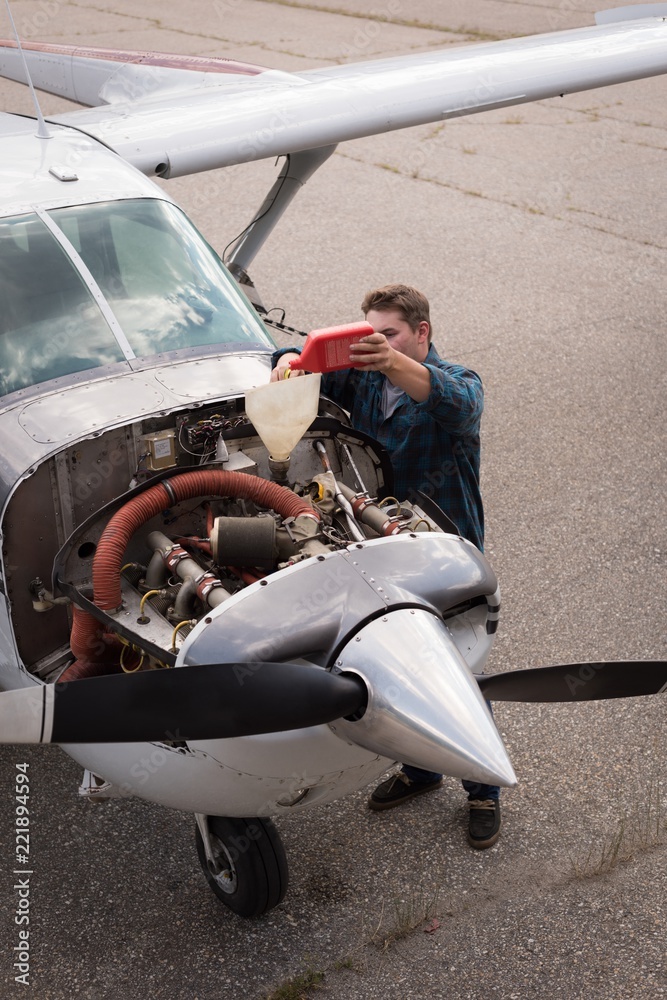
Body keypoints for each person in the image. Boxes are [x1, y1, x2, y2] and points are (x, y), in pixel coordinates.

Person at [271, 284, 501, 849]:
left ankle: (483, 789)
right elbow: (306, 370)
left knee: (452, 668)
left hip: (442, 549)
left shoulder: (459, 382)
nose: (376, 343)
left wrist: (389, 359)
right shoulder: (363, 377)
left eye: (390, 334)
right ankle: (421, 771)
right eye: (369, 332)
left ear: (422, 333)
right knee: (392, 664)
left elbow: (452, 402)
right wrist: (285, 362)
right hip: (375, 541)